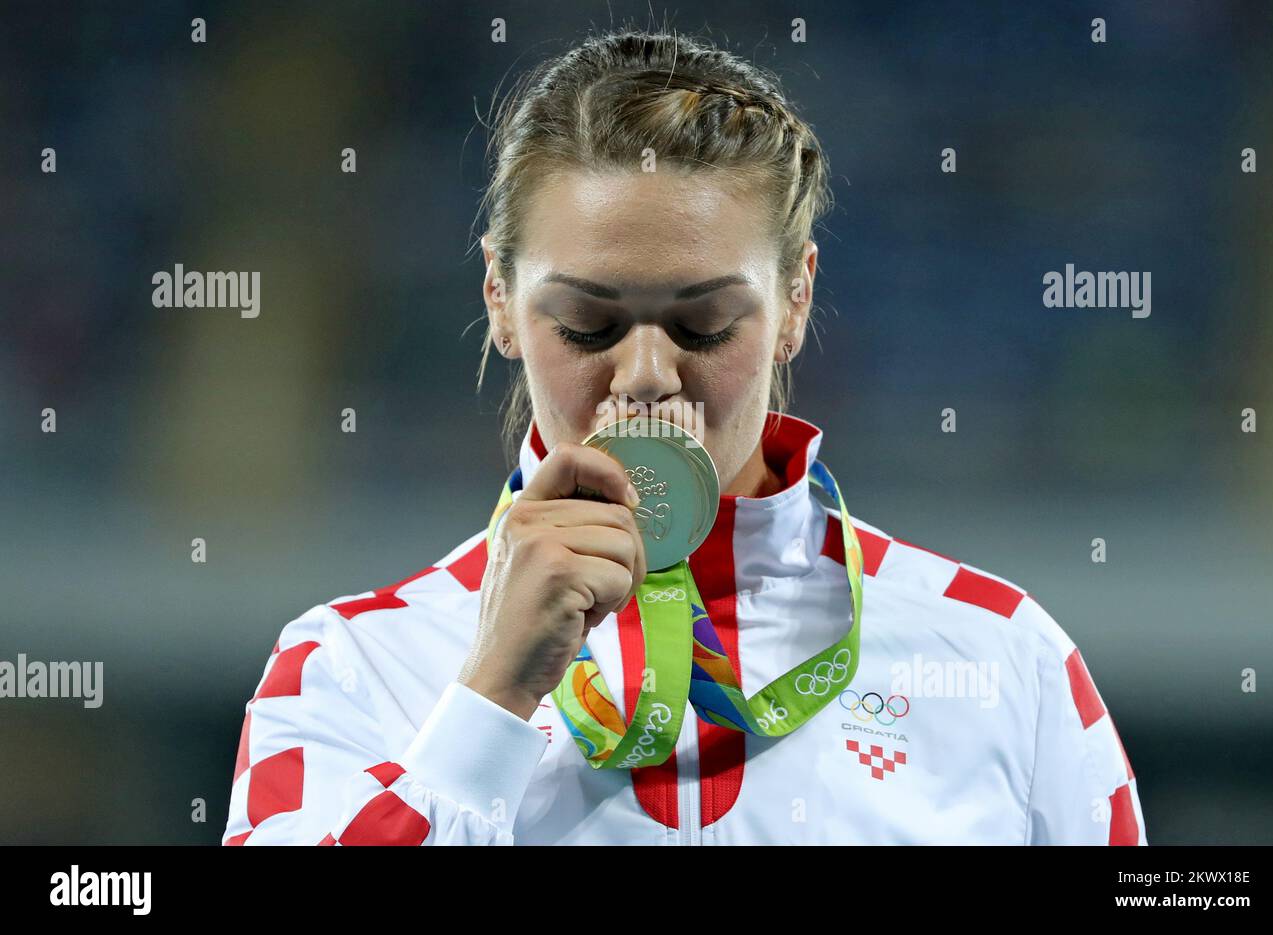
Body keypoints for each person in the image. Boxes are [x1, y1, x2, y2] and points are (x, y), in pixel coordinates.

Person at [221, 28, 1146, 845]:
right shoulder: (350, 665)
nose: (647, 373)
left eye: (706, 323)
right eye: (586, 321)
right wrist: (490, 698)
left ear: (796, 301)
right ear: (500, 301)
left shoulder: (1001, 659)